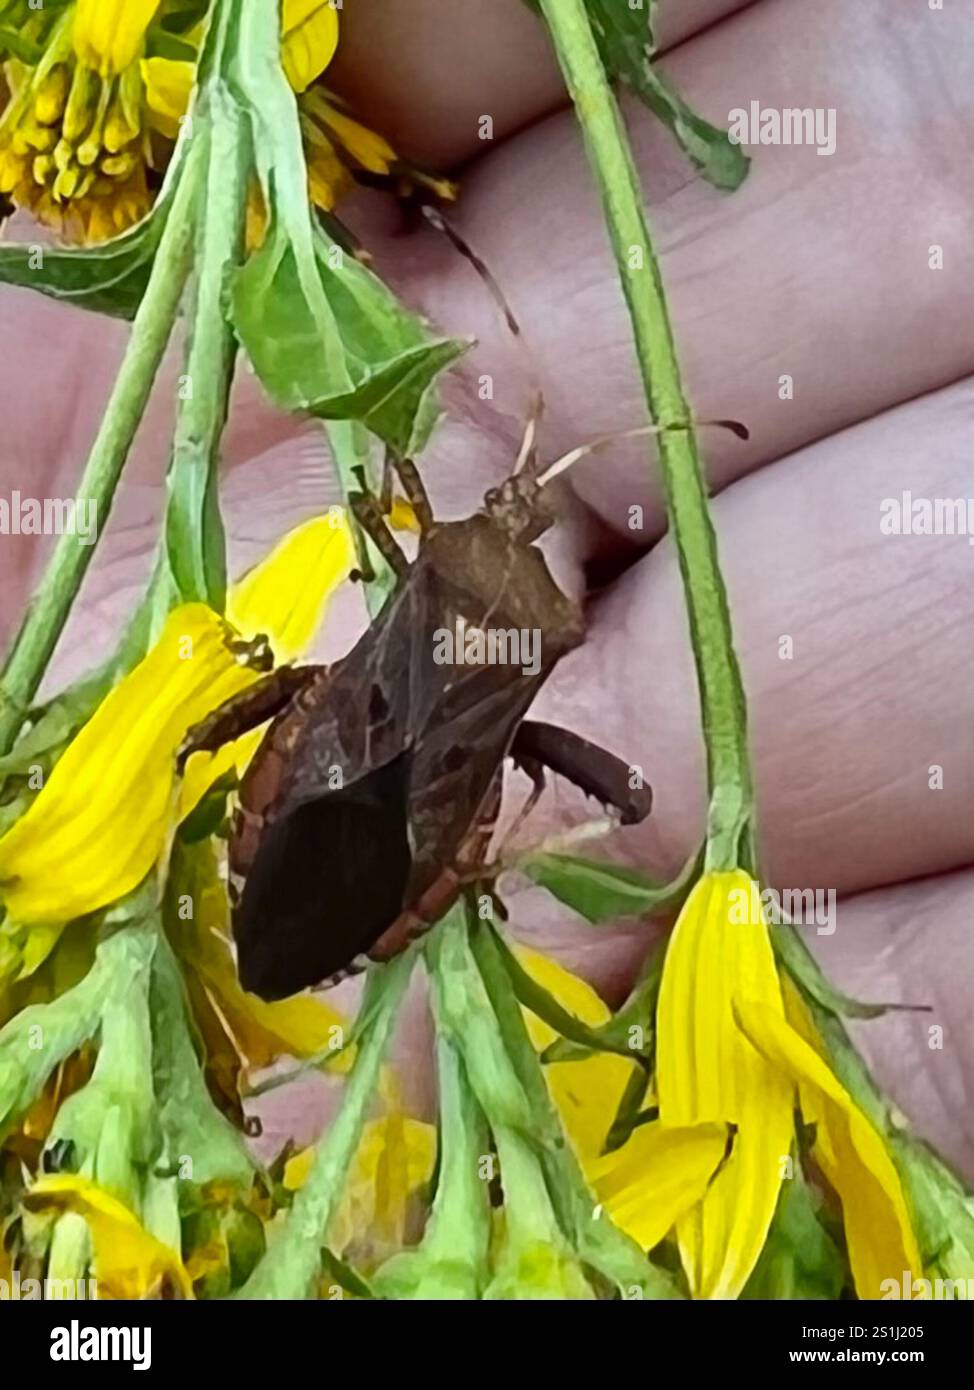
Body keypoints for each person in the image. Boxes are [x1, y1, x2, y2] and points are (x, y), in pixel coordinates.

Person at [1, 0, 971, 1175]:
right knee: (541, 775)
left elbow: (378, 516)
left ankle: (189, 752)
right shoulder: (491, 604)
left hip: (362, 776)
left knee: (286, 700)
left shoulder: (433, 554)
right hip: (406, 826)